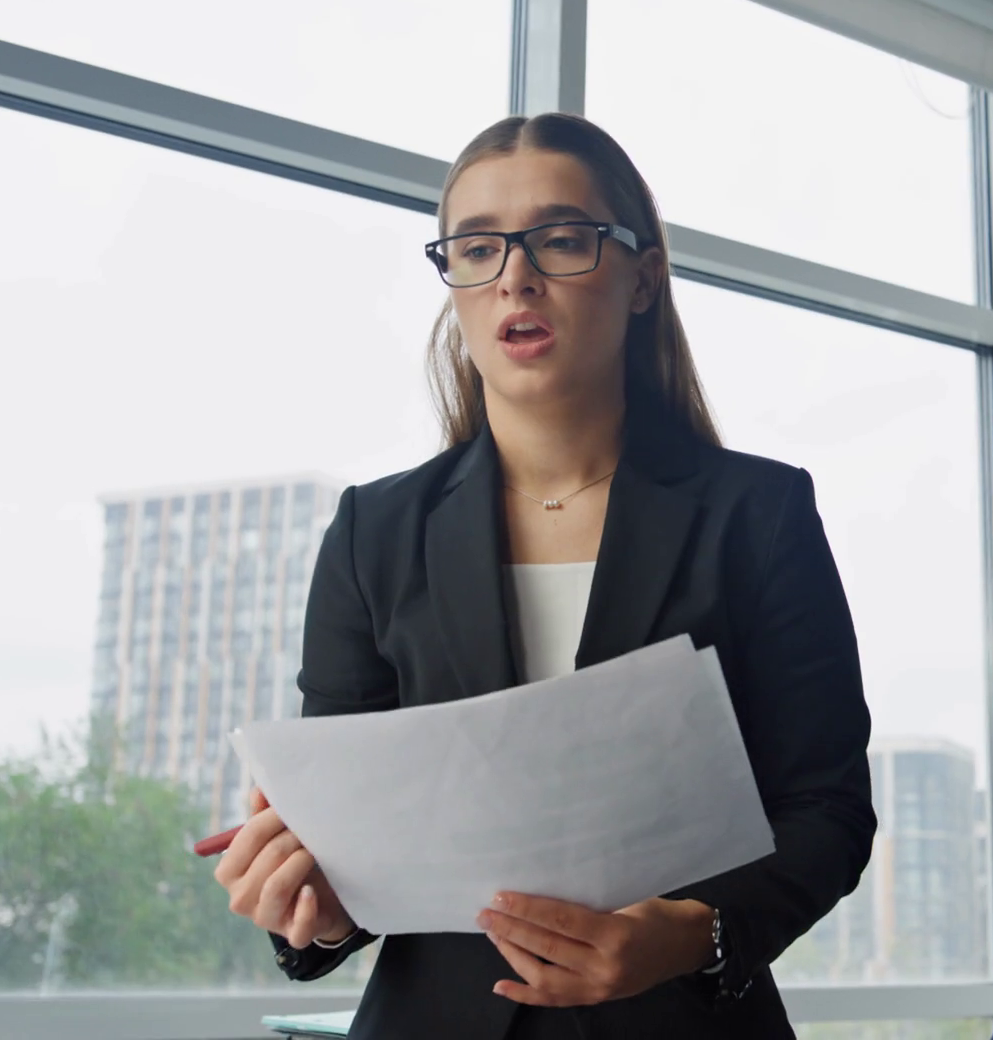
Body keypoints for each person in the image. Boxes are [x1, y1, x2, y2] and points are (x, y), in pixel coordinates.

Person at [212, 113, 876, 1040]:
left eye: (561, 240)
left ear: (644, 276)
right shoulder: (377, 529)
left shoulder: (756, 514)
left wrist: (692, 934)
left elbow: (826, 809)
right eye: (477, 248)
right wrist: (314, 905)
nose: (514, 277)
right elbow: (350, 831)